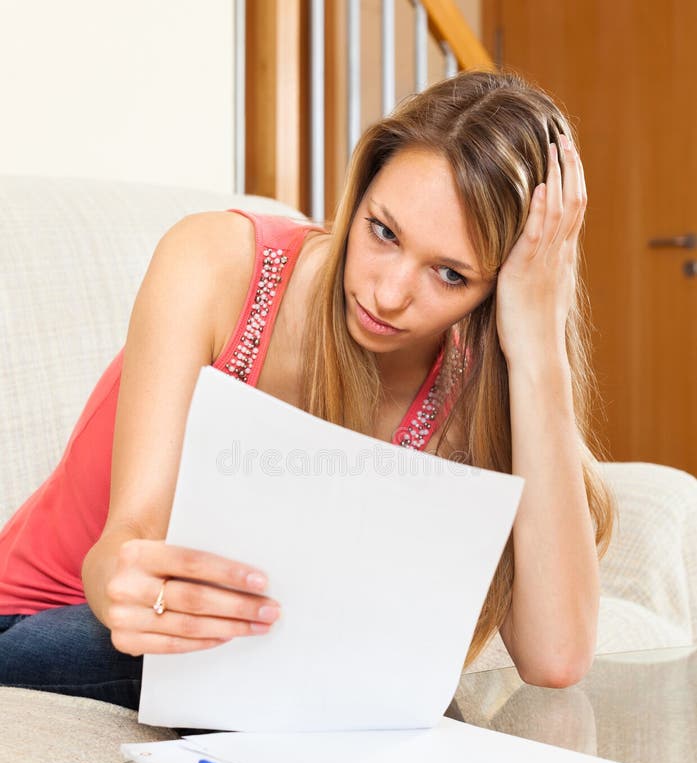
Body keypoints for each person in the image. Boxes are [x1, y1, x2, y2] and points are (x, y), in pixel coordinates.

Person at [0, 70, 613, 710]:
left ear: (495, 290)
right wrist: (122, 581)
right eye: (383, 231)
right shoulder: (214, 263)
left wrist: (539, 351)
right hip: (45, 624)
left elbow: (555, 656)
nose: (388, 293)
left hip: (256, 644)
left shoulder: (464, 388)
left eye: (450, 274)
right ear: (361, 192)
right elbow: (129, 536)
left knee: (373, 673)